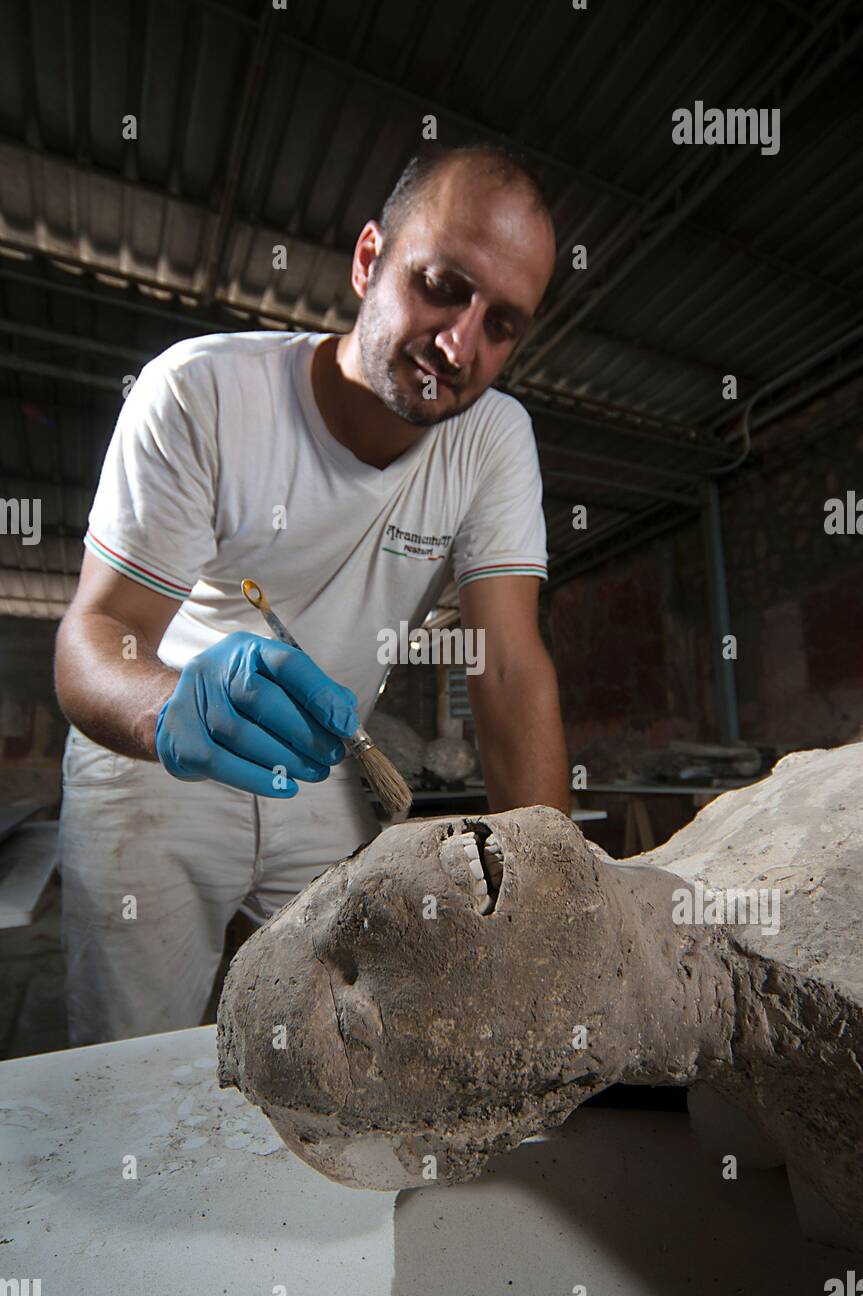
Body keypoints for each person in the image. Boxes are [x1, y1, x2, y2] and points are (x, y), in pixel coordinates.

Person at [54, 142, 572, 1046]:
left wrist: (550, 895)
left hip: (320, 768)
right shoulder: (203, 391)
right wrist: (174, 707)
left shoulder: (492, 438)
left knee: (347, 1042)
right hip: (162, 759)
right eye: (442, 285)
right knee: (126, 1063)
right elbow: (94, 637)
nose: (460, 344)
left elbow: (508, 667)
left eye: (502, 324)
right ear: (368, 259)